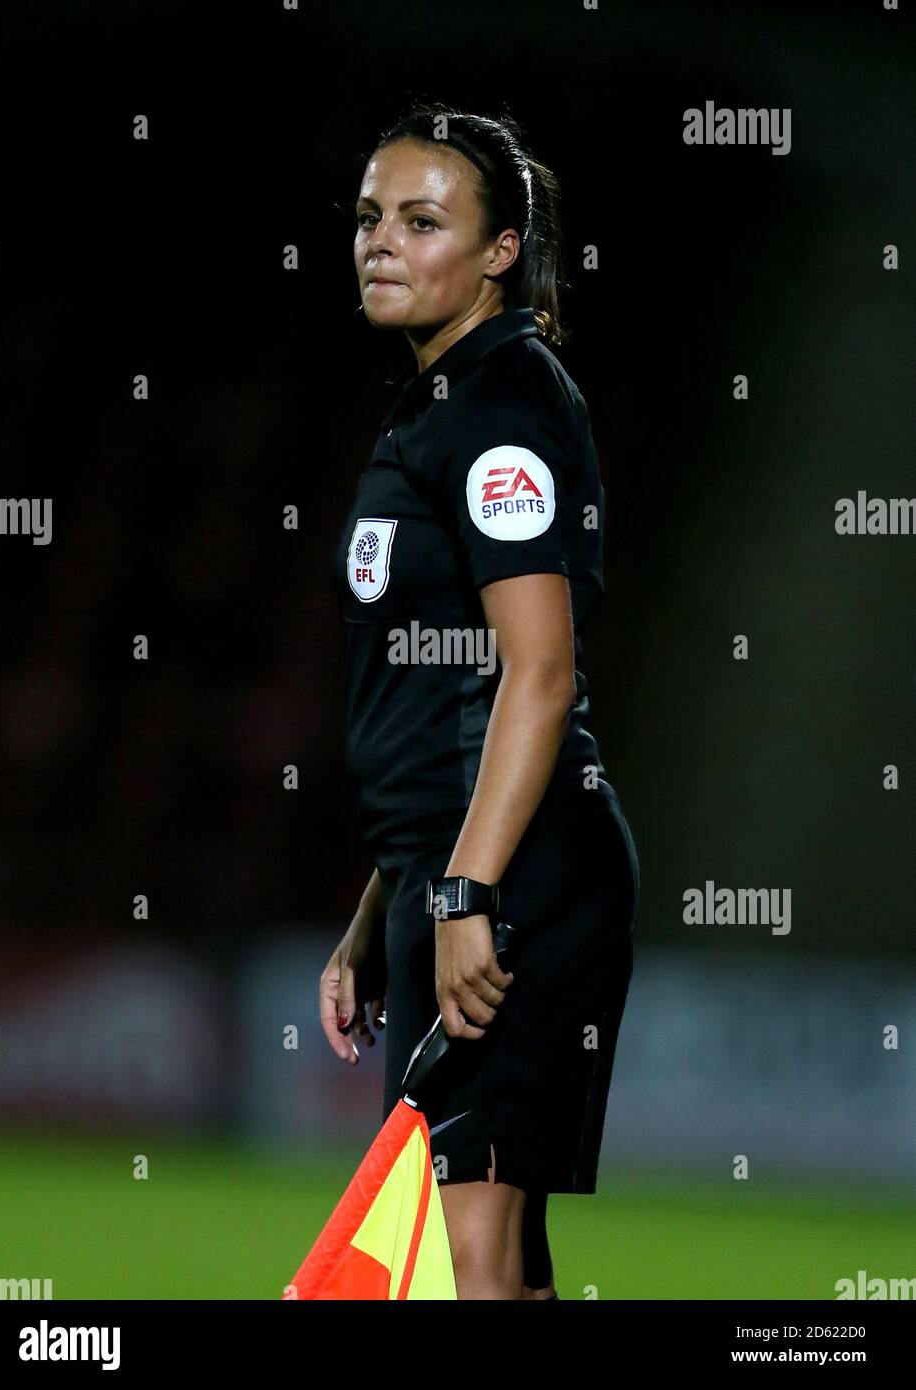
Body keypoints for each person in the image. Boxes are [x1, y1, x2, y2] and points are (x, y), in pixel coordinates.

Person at [320, 101, 640, 1301]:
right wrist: (386, 895)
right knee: (500, 1253)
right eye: (366, 218)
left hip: (511, 872)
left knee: (472, 1257)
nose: (379, 243)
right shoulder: (443, 403)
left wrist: (462, 889)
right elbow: (440, 692)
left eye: (420, 221)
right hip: (456, 865)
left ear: (500, 251)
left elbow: (537, 672)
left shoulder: (501, 407)